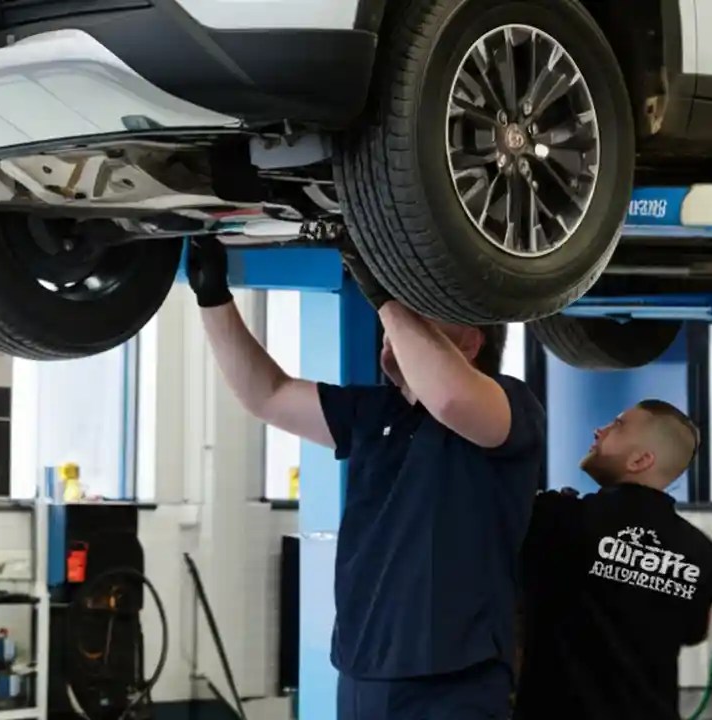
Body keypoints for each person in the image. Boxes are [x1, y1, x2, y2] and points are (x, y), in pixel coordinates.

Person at [186, 237, 545, 720]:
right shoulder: (374, 413)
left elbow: (451, 400)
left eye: (425, 312)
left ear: (470, 342)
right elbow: (268, 395)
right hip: (362, 670)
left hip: (453, 677)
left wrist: (383, 292)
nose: (401, 319)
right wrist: (213, 299)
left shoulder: (510, 407)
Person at [514, 400, 712, 720]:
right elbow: (695, 633)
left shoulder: (560, 520)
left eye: (618, 424)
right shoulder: (700, 552)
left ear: (641, 459)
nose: (600, 429)